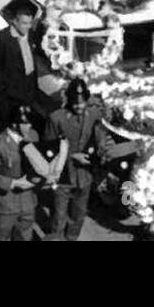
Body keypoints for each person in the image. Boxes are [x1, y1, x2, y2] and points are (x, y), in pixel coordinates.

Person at [42, 78, 109, 241]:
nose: (79, 107)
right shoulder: (56, 118)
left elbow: (101, 130)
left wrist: (101, 148)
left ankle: (72, 237)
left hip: (84, 176)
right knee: (59, 215)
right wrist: (72, 155)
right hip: (63, 175)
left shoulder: (93, 114)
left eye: (82, 103)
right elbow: (48, 149)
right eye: (75, 103)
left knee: (79, 214)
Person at [0, 105, 40, 241]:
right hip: (5, 205)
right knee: (1, 237)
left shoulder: (33, 137)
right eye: (26, 123)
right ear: (14, 124)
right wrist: (12, 183)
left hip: (27, 202)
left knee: (25, 237)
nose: (30, 126)